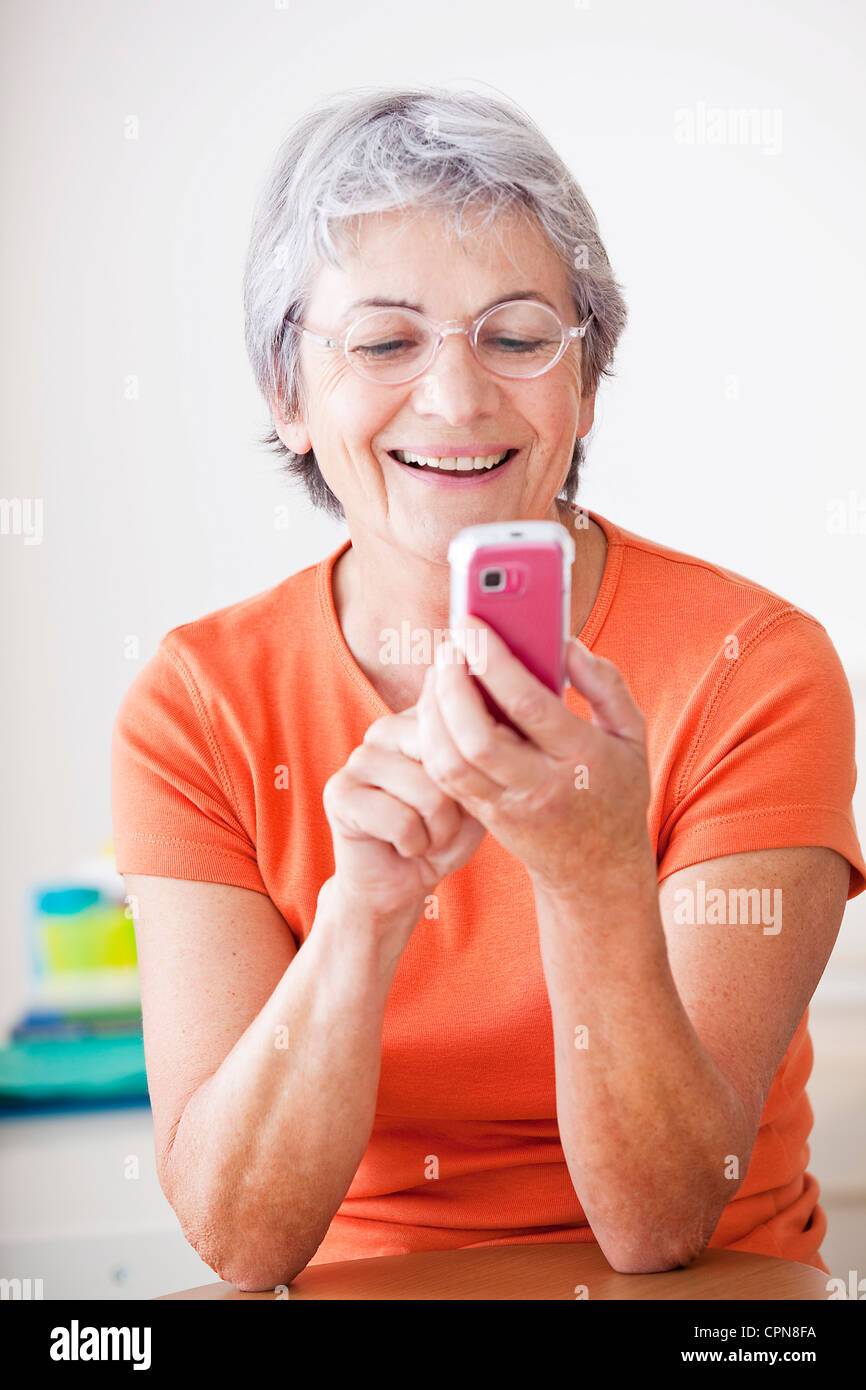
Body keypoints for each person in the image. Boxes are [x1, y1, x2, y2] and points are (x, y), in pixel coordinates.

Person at [111, 86, 865, 1292]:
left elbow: (661, 1223)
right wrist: (359, 914)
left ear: (586, 385)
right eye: (383, 341)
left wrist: (588, 872)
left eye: (516, 339)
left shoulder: (754, 666)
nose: (457, 400)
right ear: (286, 396)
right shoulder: (195, 703)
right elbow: (240, 1242)